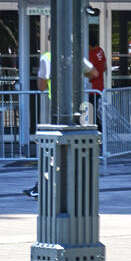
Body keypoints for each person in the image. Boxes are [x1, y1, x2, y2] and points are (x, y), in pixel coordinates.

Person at [24, 49, 96, 199]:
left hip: (59, 110)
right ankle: (74, 187)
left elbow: (41, 86)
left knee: (55, 150)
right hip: (79, 107)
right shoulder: (75, 56)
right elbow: (94, 73)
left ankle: (43, 186)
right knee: (75, 147)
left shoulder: (47, 58)